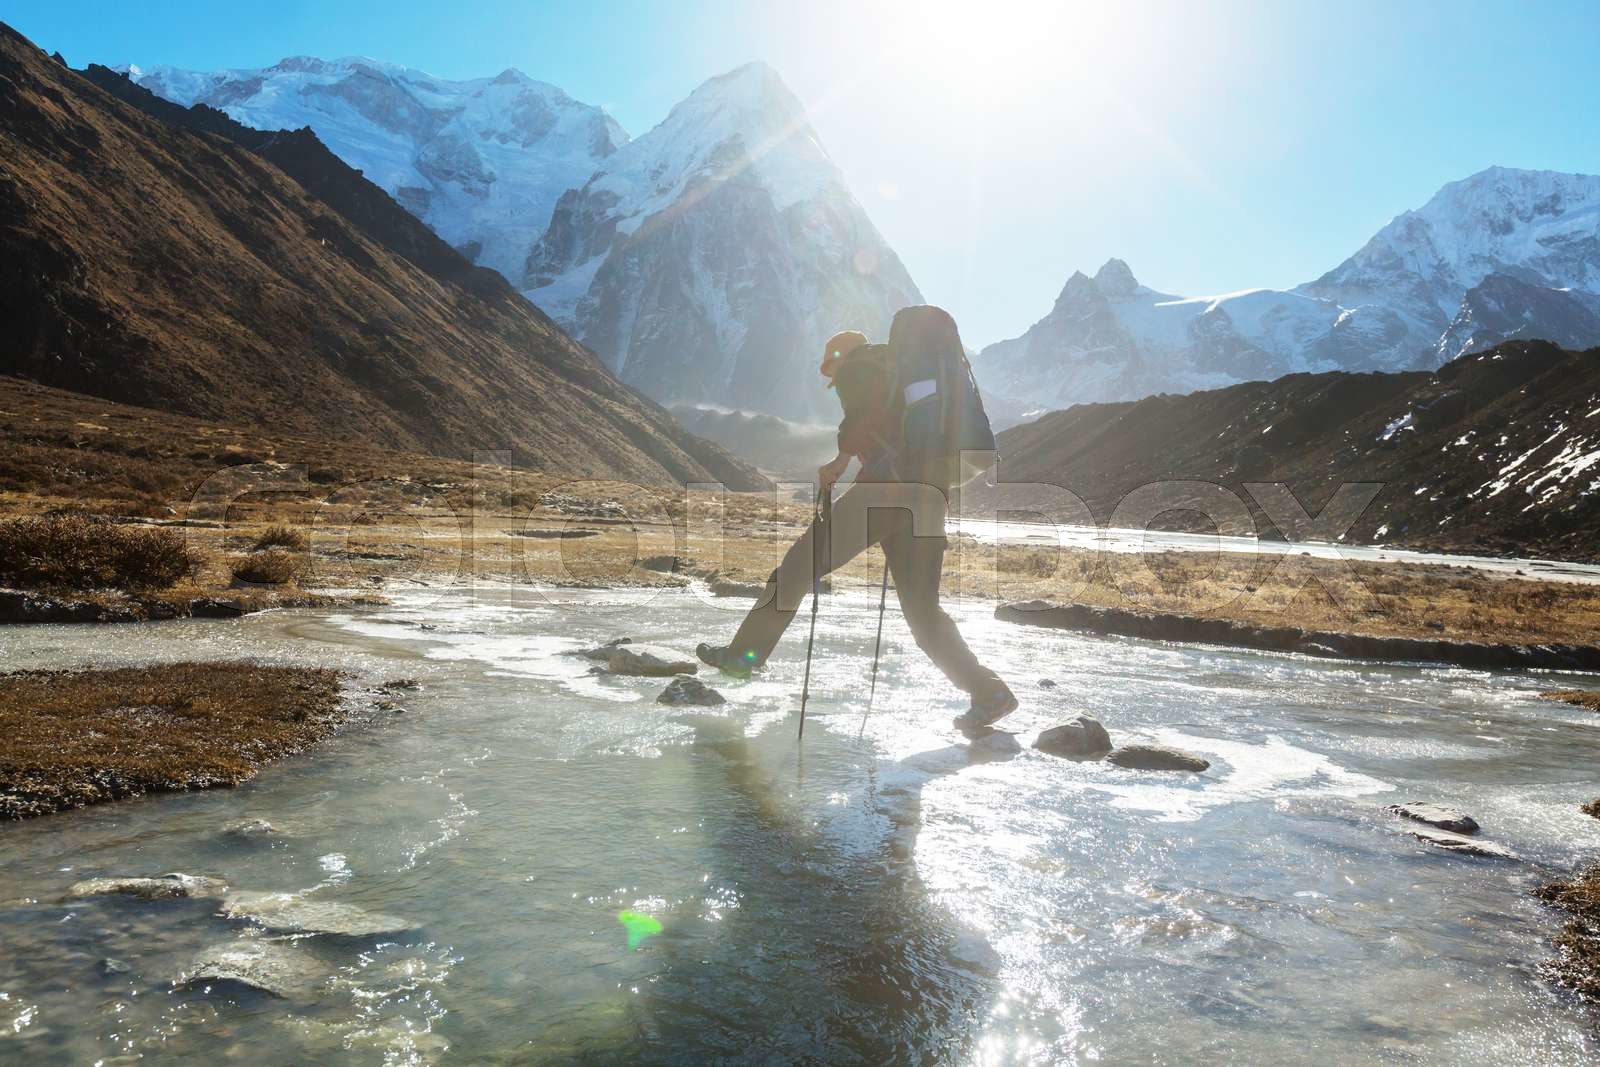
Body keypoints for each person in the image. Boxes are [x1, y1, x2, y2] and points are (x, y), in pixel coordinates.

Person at [696, 319, 1018, 731]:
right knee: (924, 614)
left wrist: (839, 460)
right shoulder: (905, 375)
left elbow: (863, 418)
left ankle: (742, 659)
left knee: (795, 571)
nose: (836, 386)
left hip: (883, 492)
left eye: (833, 377)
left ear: (839, 359)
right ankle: (989, 693)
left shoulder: (860, 366)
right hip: (929, 499)